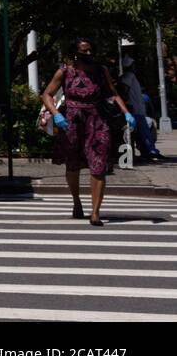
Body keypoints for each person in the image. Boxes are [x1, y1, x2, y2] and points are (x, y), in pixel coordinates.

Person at [40, 37, 135, 226]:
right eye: (85, 51)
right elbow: (46, 94)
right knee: (73, 164)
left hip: (97, 120)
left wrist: (126, 113)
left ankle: (95, 213)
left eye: (91, 50)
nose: (89, 54)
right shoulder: (65, 71)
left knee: (99, 164)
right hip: (72, 121)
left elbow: (113, 93)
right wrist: (56, 114)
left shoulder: (101, 71)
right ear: (75, 53)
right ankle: (76, 202)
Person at [119, 55, 163, 160]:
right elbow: (124, 90)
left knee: (144, 132)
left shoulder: (131, 76)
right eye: (133, 65)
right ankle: (150, 152)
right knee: (143, 132)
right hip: (134, 110)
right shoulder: (128, 76)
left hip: (138, 110)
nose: (135, 67)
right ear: (130, 66)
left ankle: (150, 151)